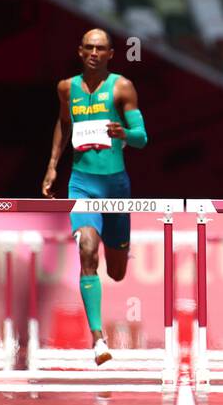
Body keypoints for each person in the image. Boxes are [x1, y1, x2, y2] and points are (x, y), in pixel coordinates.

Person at [41, 29, 148, 366]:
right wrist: (52, 167)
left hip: (116, 187)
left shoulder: (122, 87)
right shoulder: (65, 88)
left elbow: (143, 138)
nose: (93, 53)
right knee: (87, 249)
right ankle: (98, 339)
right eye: (88, 47)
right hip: (81, 184)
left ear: (111, 54)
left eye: (100, 49)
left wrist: (124, 134)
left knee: (116, 273)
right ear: (79, 51)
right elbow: (63, 124)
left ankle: (120, 251)